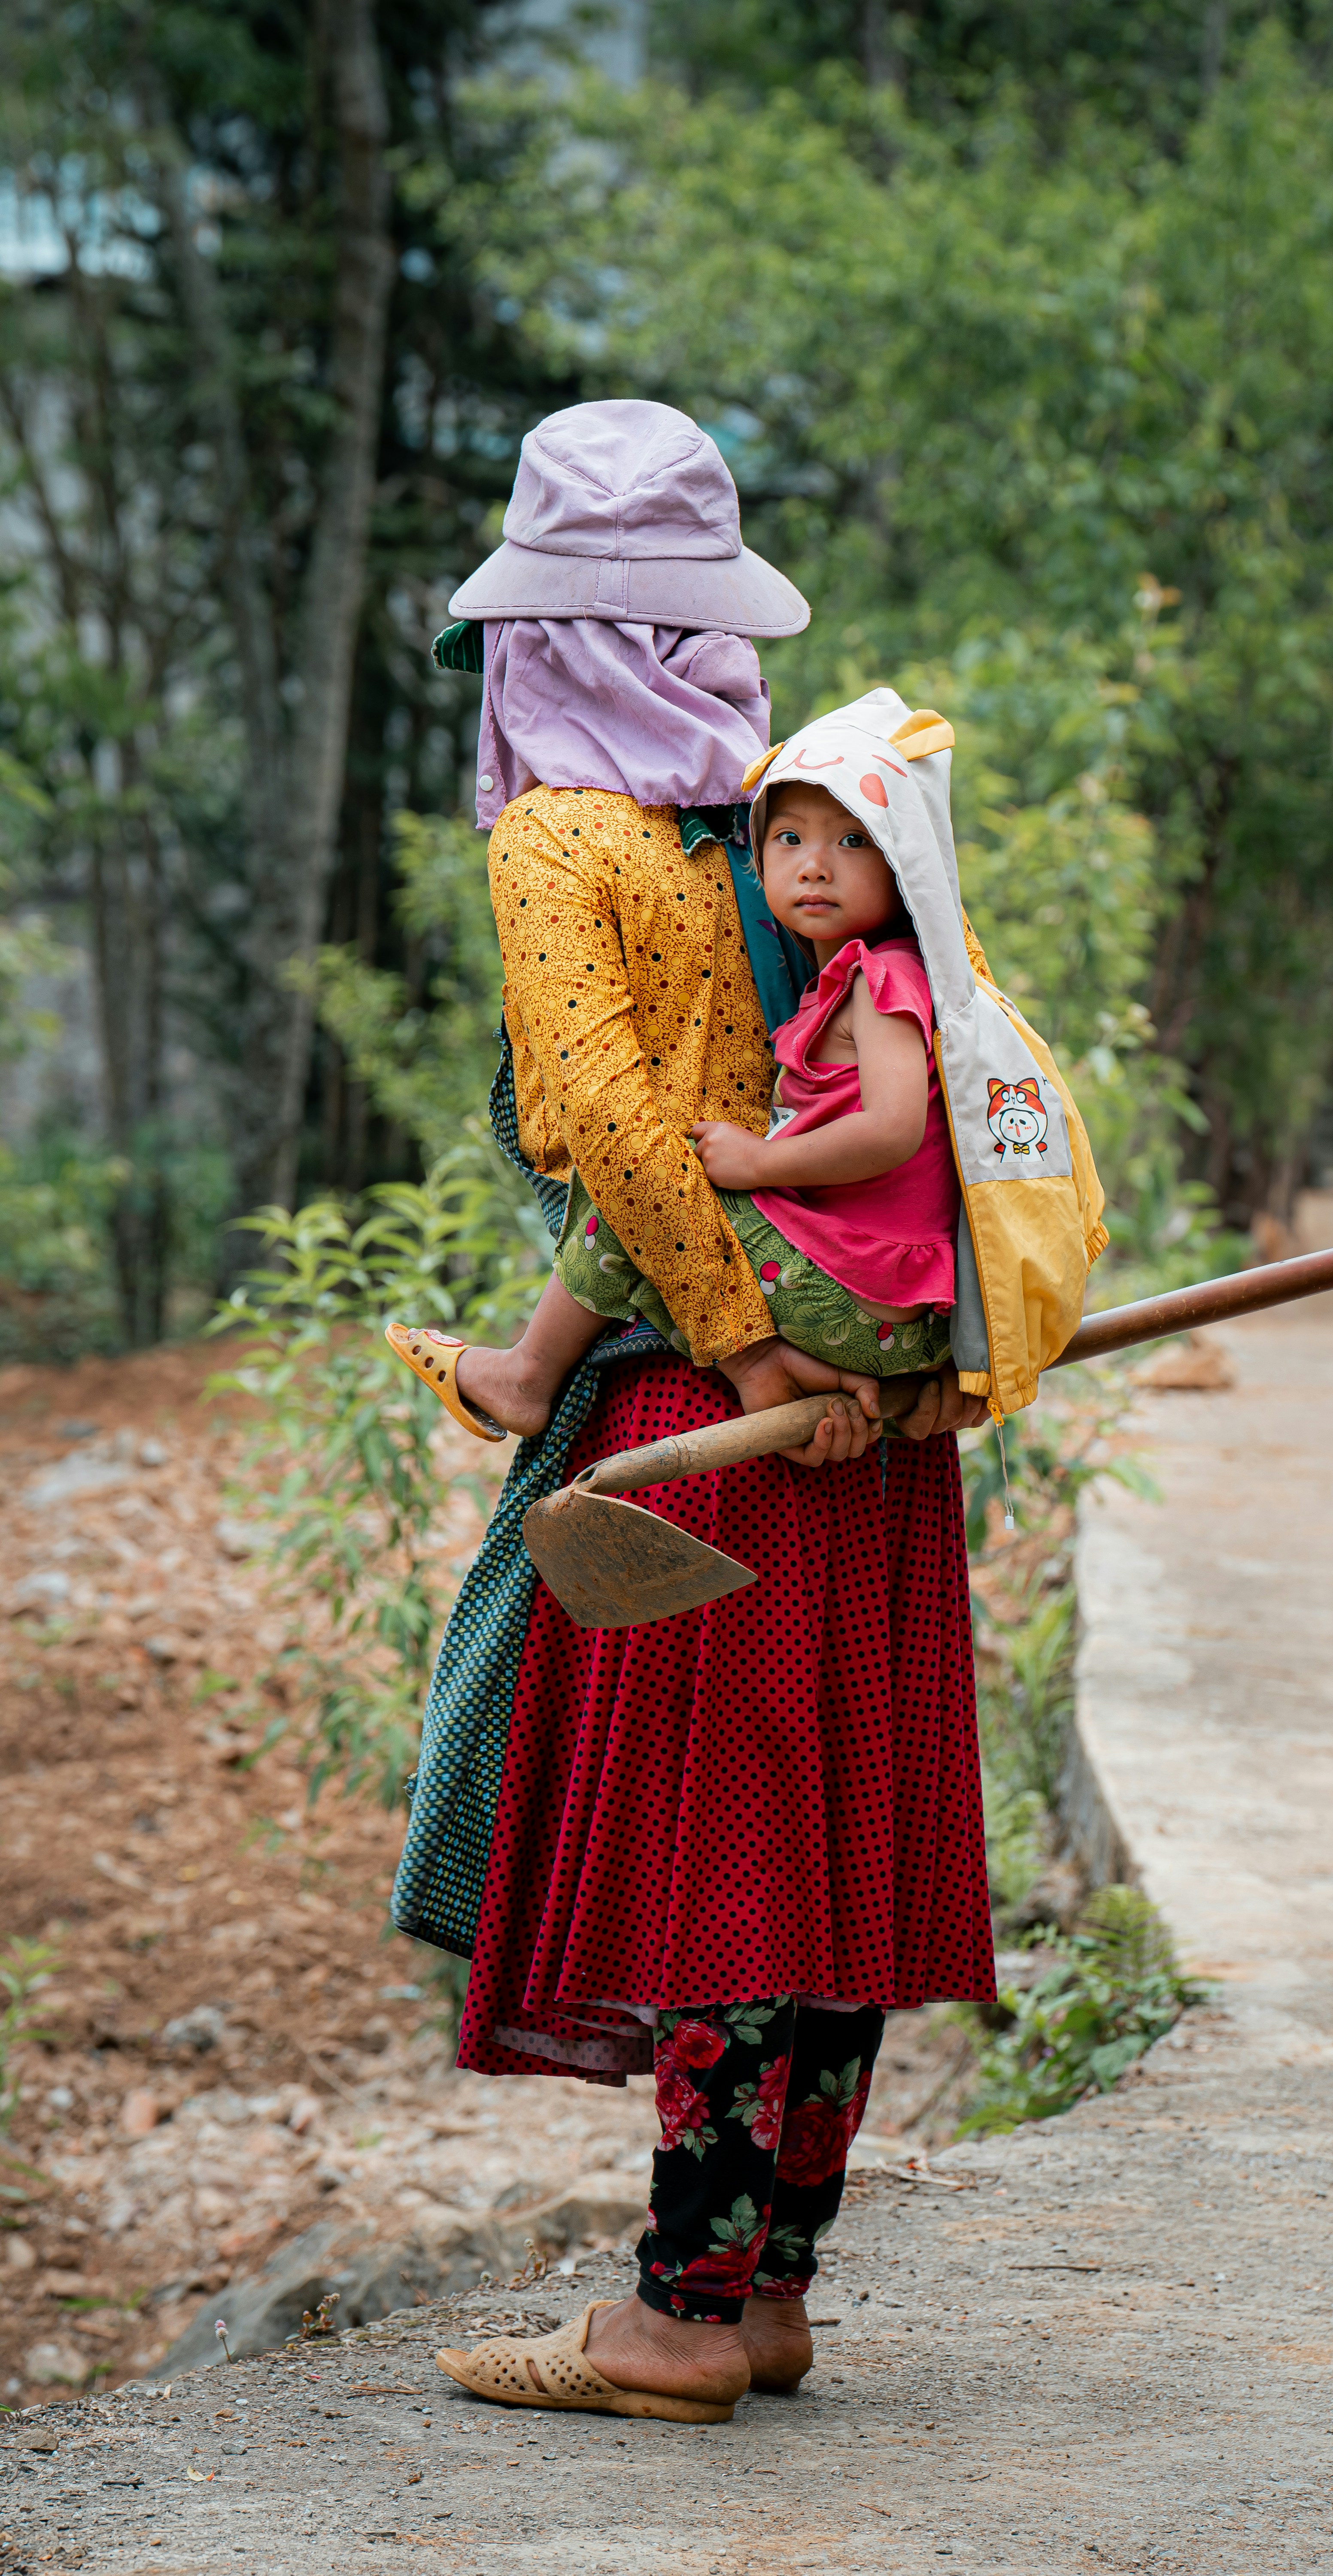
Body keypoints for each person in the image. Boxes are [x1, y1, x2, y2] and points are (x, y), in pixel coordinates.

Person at [385, 401, 1105, 2424]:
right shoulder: (795, 808)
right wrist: (834, 1349)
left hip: (725, 1404)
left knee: (725, 1854)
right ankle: (771, 2285)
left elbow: (618, 1124)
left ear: (532, 622)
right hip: (874, 1407)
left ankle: (677, 2316)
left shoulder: (567, 833)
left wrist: (744, 1338)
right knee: (831, 1832)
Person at [389, 772, 963, 1440]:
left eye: (852, 841)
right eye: (789, 838)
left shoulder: (882, 976)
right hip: (895, 1307)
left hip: (871, 1298)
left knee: (645, 1183)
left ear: (903, 865)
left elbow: (893, 1132)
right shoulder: (856, 975)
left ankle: (527, 1375)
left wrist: (759, 1163)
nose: (815, 866)